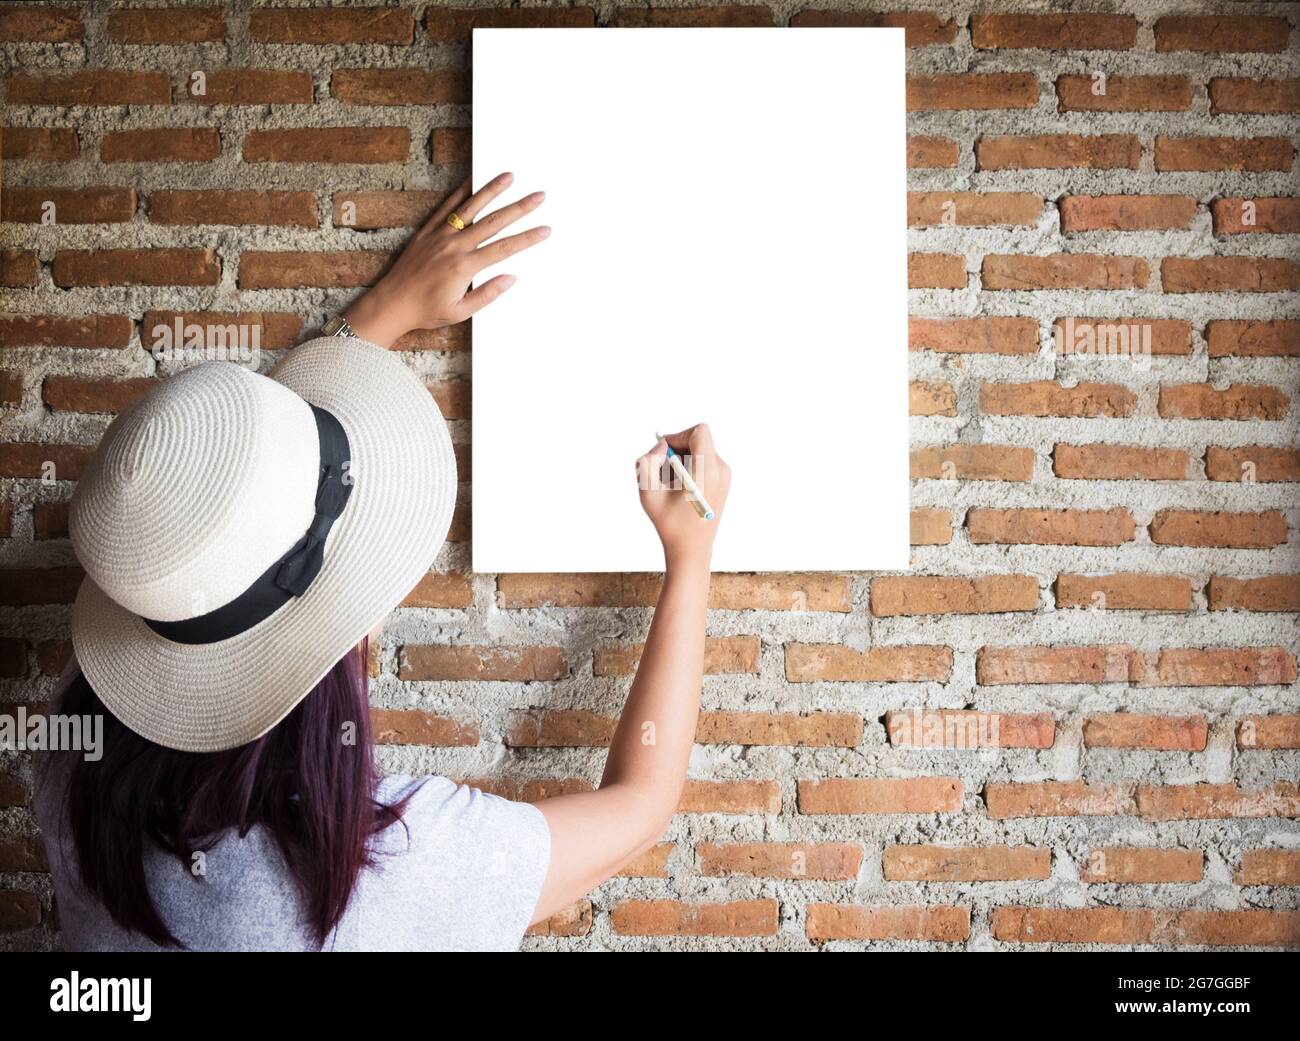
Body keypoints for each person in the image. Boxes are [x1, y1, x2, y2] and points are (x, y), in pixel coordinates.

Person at [33, 172, 731, 951]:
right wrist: (691, 556)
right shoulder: (385, 870)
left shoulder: (73, 786)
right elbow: (641, 804)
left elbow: (209, 525)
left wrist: (379, 315)